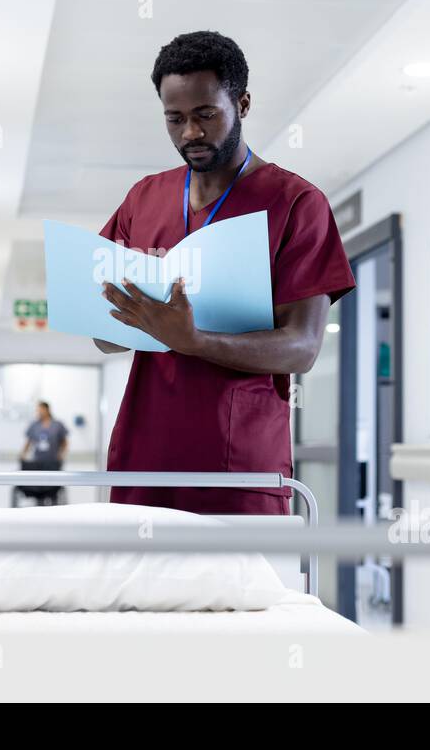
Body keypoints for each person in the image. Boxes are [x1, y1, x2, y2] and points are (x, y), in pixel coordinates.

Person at [94, 30, 355, 515]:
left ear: (243, 103)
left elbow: (302, 348)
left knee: (239, 594)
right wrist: (116, 319)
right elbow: (104, 334)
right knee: (137, 592)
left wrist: (196, 341)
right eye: (175, 119)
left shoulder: (296, 204)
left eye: (205, 115)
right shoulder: (143, 199)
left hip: (239, 467)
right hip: (143, 461)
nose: (189, 133)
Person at [17, 401, 68, 505]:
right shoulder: (34, 425)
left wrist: (61, 454)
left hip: (52, 463)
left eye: (40, 409)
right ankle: (39, 508)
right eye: (37, 410)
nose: (39, 412)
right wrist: (23, 454)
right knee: (38, 488)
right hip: (38, 463)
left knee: (52, 489)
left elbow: (64, 442)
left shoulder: (57, 425)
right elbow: (29, 442)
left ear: (47, 410)